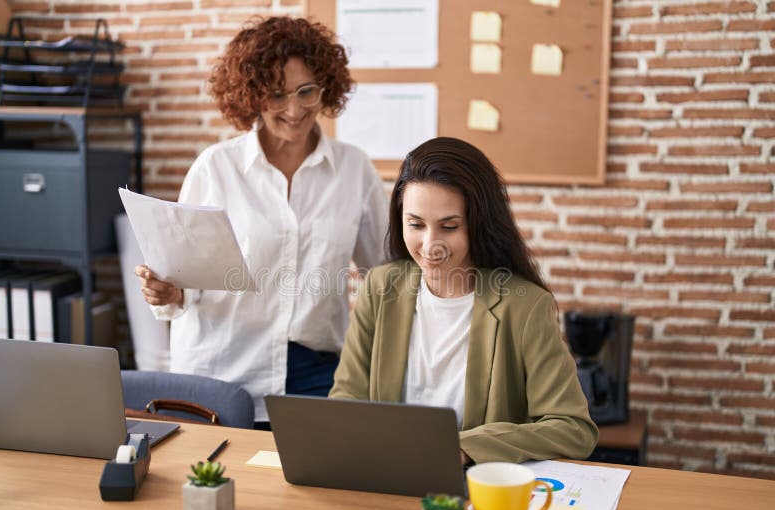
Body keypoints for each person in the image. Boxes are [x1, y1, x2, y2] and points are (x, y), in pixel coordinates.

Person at [135, 16, 387, 425]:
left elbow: (387, 273)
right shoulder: (216, 168)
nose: (294, 109)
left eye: (306, 91)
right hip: (222, 368)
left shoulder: (354, 170)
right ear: (252, 95)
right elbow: (182, 279)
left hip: (317, 372)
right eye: (276, 94)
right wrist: (167, 293)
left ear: (326, 87)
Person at [330, 137, 598, 464]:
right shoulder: (381, 287)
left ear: (478, 223)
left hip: (475, 492)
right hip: (386, 477)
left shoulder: (524, 306)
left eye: (449, 226)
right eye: (416, 224)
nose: (431, 245)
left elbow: (573, 428)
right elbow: (346, 400)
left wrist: (464, 447)